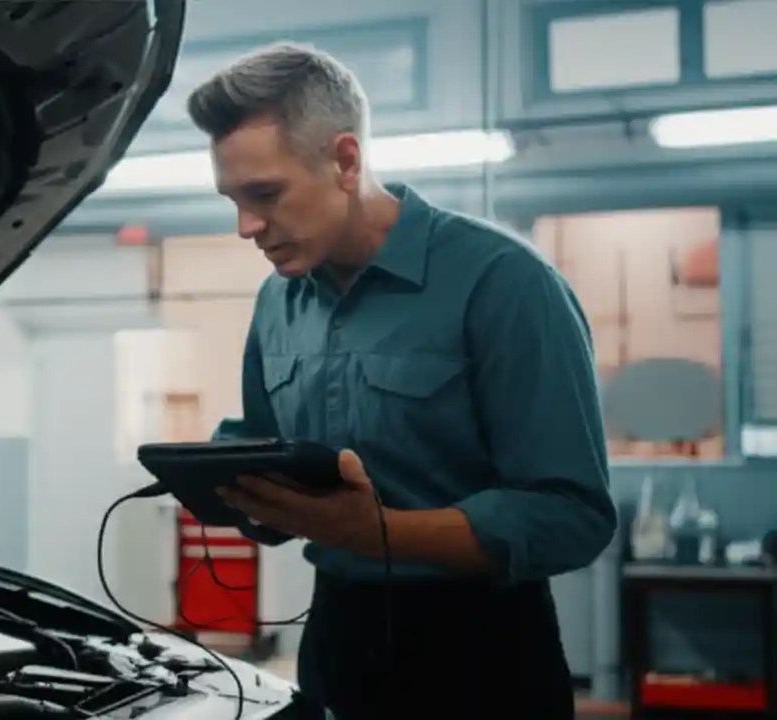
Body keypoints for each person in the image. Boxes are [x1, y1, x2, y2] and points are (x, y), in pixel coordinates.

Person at [188, 43, 617, 719]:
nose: (246, 227)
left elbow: (573, 515)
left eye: (265, 194)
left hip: (481, 654)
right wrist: (234, 481)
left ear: (346, 160)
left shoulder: (504, 284)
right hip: (336, 637)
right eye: (233, 200)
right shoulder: (280, 302)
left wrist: (379, 532)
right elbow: (273, 453)